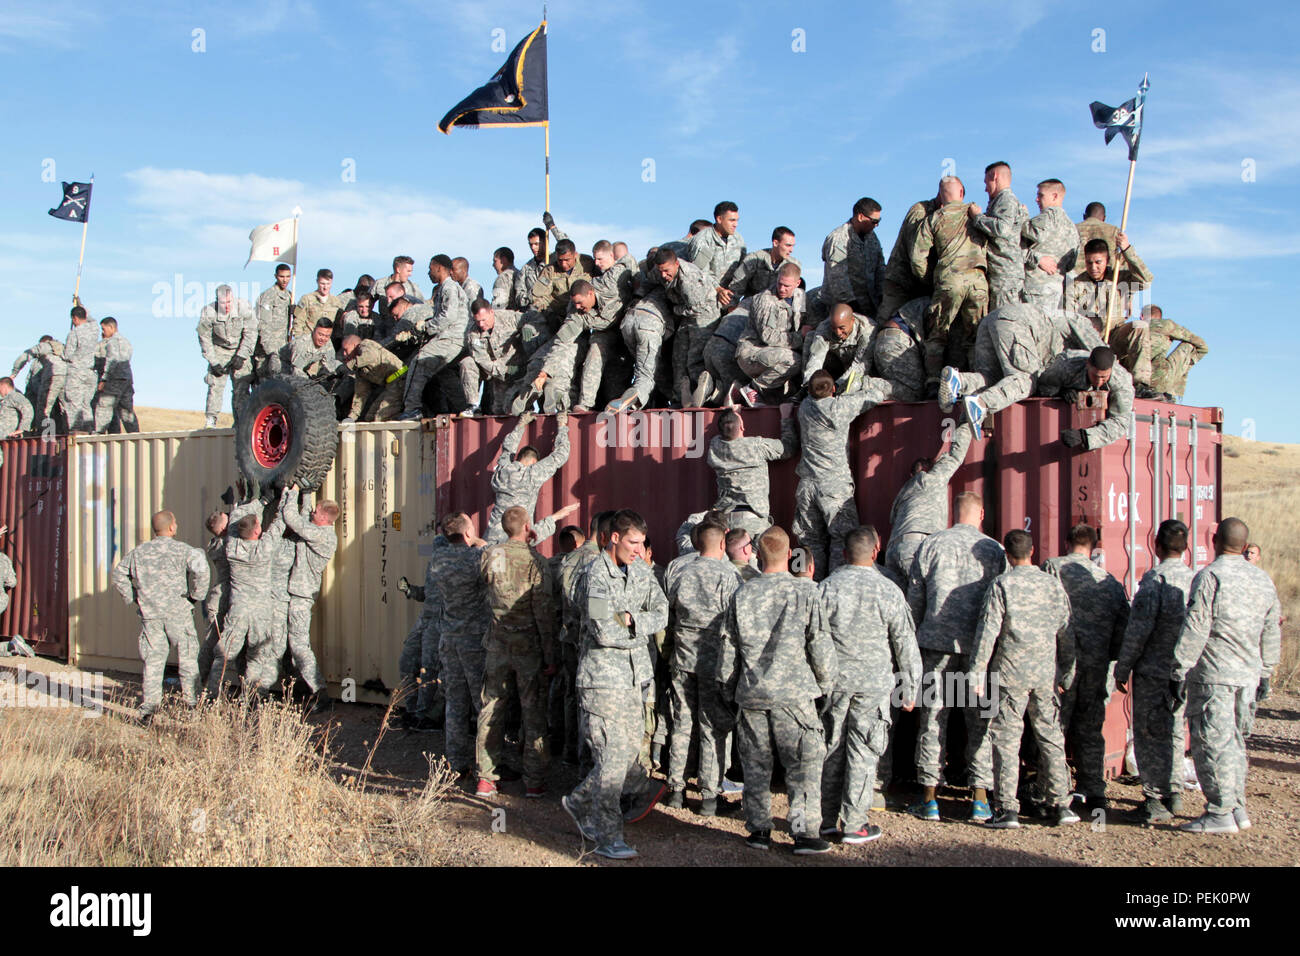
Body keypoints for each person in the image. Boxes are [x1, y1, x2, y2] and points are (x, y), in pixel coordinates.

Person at [718, 525, 835, 854]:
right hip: (794, 697)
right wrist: (825, 687)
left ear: (757, 552)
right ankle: (802, 833)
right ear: (789, 554)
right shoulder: (805, 592)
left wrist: (729, 691)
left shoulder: (743, 593)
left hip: (752, 695)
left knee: (755, 768)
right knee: (803, 766)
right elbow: (821, 647)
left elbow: (728, 651)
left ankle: (759, 831)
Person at [562, 510, 669, 861]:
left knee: (626, 758)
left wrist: (632, 620)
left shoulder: (639, 569)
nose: (639, 550)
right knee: (610, 759)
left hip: (635, 678)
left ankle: (579, 801)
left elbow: (662, 611)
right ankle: (608, 836)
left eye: (642, 542)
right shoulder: (595, 575)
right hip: (602, 681)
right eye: (633, 542)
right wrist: (636, 629)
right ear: (614, 539)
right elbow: (602, 631)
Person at [1171, 517, 1282, 834]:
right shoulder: (1263, 580)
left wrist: (1179, 669)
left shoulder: (1210, 577)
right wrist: (1266, 672)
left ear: (1214, 540)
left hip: (1214, 674)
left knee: (1212, 744)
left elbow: (1196, 628)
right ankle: (1236, 806)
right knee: (1234, 743)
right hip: (1247, 677)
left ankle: (1220, 812)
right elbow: (1271, 630)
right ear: (1246, 547)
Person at [906, 491, 1005, 822]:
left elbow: (915, 599)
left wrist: (911, 645)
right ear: (980, 515)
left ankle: (929, 798)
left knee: (932, 720)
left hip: (935, 647)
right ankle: (980, 799)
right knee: (981, 723)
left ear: (953, 513)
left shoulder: (932, 544)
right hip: (980, 654)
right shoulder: (994, 550)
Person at [970, 529, 1079, 829]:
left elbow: (987, 632)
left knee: (1006, 739)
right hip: (1045, 673)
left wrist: (977, 672)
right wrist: (1067, 672)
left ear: (1007, 555)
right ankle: (1061, 804)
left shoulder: (1001, 585)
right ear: (1033, 552)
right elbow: (1066, 633)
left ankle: (1007, 809)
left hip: (1010, 675)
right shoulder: (1052, 585)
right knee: (1051, 737)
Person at [819, 526, 921, 844]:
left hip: (834, 685)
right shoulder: (888, 590)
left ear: (844, 554)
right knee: (863, 751)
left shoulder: (826, 588)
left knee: (831, 749)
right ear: (875, 552)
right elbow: (904, 641)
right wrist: (911, 687)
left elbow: (811, 638)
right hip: (873, 686)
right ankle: (854, 824)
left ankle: (825, 821)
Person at [1043, 524, 1130, 812]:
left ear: (1066, 540)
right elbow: (1122, 629)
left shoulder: (1052, 569)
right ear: (1093, 547)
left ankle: (1053, 790)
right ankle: (1093, 789)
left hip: (1058, 666)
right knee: (1091, 728)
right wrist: (1109, 658)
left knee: (1055, 727)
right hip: (1096, 667)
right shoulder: (1109, 582)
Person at [1113, 519, 1195, 824]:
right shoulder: (1194, 580)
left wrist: (1123, 667)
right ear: (1185, 546)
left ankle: (1154, 797)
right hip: (1182, 671)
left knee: (1148, 733)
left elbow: (1139, 629)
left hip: (1152, 670)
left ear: (1156, 545)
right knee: (1174, 730)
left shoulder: (1155, 581)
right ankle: (1173, 792)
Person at [476, 506, 557, 797]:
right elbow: (543, 613)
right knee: (532, 711)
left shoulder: (492, 555)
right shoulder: (536, 561)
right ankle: (533, 780)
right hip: (528, 648)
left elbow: (489, 585)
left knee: (492, 709)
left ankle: (486, 778)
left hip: (497, 644)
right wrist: (550, 655)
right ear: (527, 527)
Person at [663, 523, 743, 814]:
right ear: (722, 544)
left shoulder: (679, 571)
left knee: (681, 724)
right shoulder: (729, 576)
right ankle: (709, 796)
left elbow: (667, 616)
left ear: (697, 543)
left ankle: (675, 789)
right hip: (714, 663)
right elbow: (735, 623)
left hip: (682, 659)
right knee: (712, 727)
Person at [939, 303, 1102, 438]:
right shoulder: (1084, 327)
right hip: (1016, 324)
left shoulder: (1067, 331)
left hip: (995, 319)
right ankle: (982, 404)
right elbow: (1103, 357)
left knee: (991, 378)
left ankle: (958, 381)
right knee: (1026, 381)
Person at [794, 369, 894, 580]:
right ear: (833, 390)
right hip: (833, 486)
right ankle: (836, 586)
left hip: (806, 485)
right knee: (843, 539)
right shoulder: (838, 407)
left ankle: (809, 586)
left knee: (809, 541)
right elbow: (874, 396)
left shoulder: (804, 407)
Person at [111, 510, 209, 723]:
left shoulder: (139, 552)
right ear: (172, 527)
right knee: (188, 661)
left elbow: (119, 574)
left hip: (151, 616)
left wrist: (134, 598)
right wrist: (195, 596)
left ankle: (148, 711)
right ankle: (193, 709)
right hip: (179, 615)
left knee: (153, 663)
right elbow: (202, 570)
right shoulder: (183, 550)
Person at [206, 489, 290, 697]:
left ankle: (211, 694)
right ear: (256, 532)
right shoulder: (265, 549)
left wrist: (258, 501)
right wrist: (288, 494)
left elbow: (235, 519)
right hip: (261, 612)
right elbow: (280, 522)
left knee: (223, 655)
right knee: (256, 657)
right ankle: (251, 700)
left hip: (239, 610)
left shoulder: (232, 548)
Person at [910, 175, 988, 388]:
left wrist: (931, 280)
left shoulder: (933, 219)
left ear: (941, 196)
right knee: (975, 335)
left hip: (949, 280)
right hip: (977, 281)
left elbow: (917, 258)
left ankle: (933, 382)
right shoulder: (975, 215)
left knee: (937, 334)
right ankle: (975, 382)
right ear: (962, 193)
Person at [884, 421, 975, 579]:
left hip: (893, 550)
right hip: (917, 548)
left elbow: (892, 519)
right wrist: (966, 421)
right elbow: (955, 457)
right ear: (927, 471)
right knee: (923, 597)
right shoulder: (930, 480)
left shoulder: (903, 492)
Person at [279, 485, 339, 712]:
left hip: (301, 595)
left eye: (316, 511)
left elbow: (292, 519)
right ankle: (302, 687)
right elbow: (304, 517)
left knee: (298, 644)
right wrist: (305, 492)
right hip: (298, 593)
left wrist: (292, 491)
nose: (313, 512)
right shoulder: (318, 530)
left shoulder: (321, 535)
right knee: (292, 644)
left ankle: (318, 691)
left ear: (324, 516)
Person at [707, 405, 797, 541]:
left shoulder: (714, 446)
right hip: (754, 521)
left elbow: (727, 433)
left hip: (725, 520)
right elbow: (788, 448)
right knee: (753, 560)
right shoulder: (756, 446)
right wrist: (786, 417)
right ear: (742, 426)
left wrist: (732, 415)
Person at [401, 255, 470, 419]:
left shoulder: (449, 288)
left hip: (450, 338)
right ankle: (465, 407)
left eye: (430, 268)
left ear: (439, 268)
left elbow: (448, 317)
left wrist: (426, 327)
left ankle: (412, 409)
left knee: (419, 363)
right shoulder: (446, 289)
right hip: (456, 339)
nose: (428, 273)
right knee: (444, 373)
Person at [485, 411, 570, 544]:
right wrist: (562, 425)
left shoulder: (502, 470)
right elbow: (561, 455)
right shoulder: (531, 474)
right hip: (516, 542)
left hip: (492, 540)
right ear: (533, 462)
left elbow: (507, 449)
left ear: (519, 458)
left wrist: (521, 424)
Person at [1038, 345, 1135, 452]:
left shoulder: (1122, 381)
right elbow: (1042, 386)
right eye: (1095, 376)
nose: (1098, 382)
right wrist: (1060, 391)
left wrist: (1085, 436)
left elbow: (1121, 422)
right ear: (1088, 365)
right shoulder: (1066, 366)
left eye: (1104, 377)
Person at [733, 262, 806, 404]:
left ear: (797, 283)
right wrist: (800, 338)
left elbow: (804, 321)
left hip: (774, 352)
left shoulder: (800, 297)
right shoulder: (765, 300)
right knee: (793, 361)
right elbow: (768, 336)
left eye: (787, 286)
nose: (782, 289)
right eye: (780, 284)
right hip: (752, 352)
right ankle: (753, 388)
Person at [968, 162, 1030, 308]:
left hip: (1005, 276)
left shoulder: (1006, 199)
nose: (985, 189)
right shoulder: (999, 201)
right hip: (1001, 274)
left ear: (994, 177)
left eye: (986, 182)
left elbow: (1002, 228)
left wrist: (977, 217)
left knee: (1004, 322)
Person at [877, 186, 942, 323]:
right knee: (887, 323)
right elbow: (916, 254)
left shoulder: (944, 215)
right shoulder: (921, 211)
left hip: (920, 283)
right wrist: (930, 281)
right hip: (901, 280)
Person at [1065, 237, 1153, 337]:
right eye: (1089, 263)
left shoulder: (1118, 278)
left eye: (1098, 262)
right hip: (1088, 337)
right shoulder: (1075, 285)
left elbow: (1145, 281)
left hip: (1115, 335)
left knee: (1140, 327)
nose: (1093, 267)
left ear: (1107, 260)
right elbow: (1069, 316)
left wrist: (1127, 250)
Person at [197, 285, 257, 427]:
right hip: (219, 350)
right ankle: (211, 419)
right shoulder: (208, 312)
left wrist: (242, 355)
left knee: (241, 386)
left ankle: (241, 420)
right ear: (217, 301)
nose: (227, 306)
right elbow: (204, 339)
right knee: (215, 385)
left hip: (240, 347)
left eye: (229, 302)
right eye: (224, 303)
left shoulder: (244, 307)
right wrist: (213, 362)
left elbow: (251, 332)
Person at [820, 198, 885, 318]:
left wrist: (882, 296)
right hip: (842, 311)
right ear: (860, 217)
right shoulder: (838, 238)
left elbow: (880, 268)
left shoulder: (872, 238)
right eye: (874, 221)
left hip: (870, 309)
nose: (877, 225)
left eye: (879, 220)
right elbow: (838, 278)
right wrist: (853, 308)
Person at [460, 300, 527, 416]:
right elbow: (483, 361)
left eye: (483, 320)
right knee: (467, 362)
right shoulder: (473, 332)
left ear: (491, 312)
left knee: (511, 408)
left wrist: (529, 327)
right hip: (496, 370)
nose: (481, 324)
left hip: (517, 367)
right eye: (478, 321)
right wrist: (505, 371)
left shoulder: (508, 317)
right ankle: (473, 406)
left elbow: (533, 318)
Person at [1020, 179, 1079, 310]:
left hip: (1034, 289)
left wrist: (1022, 216)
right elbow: (1071, 264)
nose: (1036, 199)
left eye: (1040, 195)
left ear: (1055, 196)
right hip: (1056, 292)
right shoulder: (1072, 229)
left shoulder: (1048, 217)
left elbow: (1021, 233)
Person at [801, 303, 873, 397]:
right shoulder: (824, 328)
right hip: (838, 363)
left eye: (842, 328)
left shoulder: (867, 330)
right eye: (834, 328)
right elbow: (816, 359)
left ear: (852, 321)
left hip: (860, 370)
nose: (838, 333)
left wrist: (837, 385)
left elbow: (860, 365)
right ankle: (806, 390)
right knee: (810, 337)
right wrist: (813, 385)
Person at [1142, 305, 1210, 401]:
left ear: (1142, 316)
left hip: (1132, 381)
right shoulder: (1166, 325)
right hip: (1158, 379)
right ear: (1160, 317)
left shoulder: (1131, 330)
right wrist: (1184, 368)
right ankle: (1170, 392)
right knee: (1189, 345)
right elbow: (1203, 347)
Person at [685, 201, 746, 309]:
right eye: (731, 220)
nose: (735, 224)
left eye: (737, 220)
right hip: (706, 301)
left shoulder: (738, 240)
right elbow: (700, 274)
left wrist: (732, 299)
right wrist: (718, 290)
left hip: (730, 300)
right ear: (719, 219)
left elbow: (741, 271)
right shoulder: (703, 240)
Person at [871, 298, 929, 402]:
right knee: (914, 391)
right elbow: (934, 349)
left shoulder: (923, 301)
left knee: (901, 385)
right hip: (896, 342)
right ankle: (865, 385)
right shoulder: (937, 306)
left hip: (889, 339)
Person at [341, 334, 404, 422]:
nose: (344, 354)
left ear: (354, 345)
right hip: (390, 385)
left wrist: (348, 366)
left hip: (400, 377)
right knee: (370, 417)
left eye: (345, 350)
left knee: (381, 418)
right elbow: (361, 394)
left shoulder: (366, 345)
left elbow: (371, 356)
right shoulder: (360, 369)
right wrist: (351, 417)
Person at [92, 317, 138, 434]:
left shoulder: (112, 342)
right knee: (126, 411)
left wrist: (104, 379)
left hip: (115, 379)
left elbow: (111, 361)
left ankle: (97, 436)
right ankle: (136, 436)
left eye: (104, 328)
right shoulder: (126, 342)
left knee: (104, 407)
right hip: (127, 379)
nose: (103, 332)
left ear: (111, 327)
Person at [727, 226, 797, 302]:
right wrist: (732, 308)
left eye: (793, 246)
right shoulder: (754, 260)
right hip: (750, 306)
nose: (791, 250)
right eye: (788, 245)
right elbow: (736, 286)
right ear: (775, 243)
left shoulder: (793, 266)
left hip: (779, 308)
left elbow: (796, 294)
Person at [11, 335, 65, 433]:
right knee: (64, 406)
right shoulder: (63, 347)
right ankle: (66, 429)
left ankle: (43, 432)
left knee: (44, 406)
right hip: (68, 376)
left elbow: (25, 356)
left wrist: (14, 373)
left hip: (51, 376)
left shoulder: (44, 348)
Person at [62, 304, 101, 432]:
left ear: (74, 319)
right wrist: (82, 306)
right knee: (86, 405)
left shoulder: (74, 333)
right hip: (90, 373)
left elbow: (67, 355)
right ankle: (89, 430)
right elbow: (92, 319)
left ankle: (76, 432)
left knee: (74, 405)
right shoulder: (94, 329)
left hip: (76, 372)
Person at [254, 263, 293, 377]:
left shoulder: (290, 296)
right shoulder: (268, 296)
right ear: (276, 276)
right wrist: (271, 352)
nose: (285, 280)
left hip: (283, 349)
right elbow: (263, 326)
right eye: (282, 276)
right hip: (268, 351)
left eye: (287, 276)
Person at [294, 268, 345, 339]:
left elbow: (339, 326)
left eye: (328, 284)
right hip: (308, 340)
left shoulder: (336, 302)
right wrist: (299, 340)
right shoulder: (306, 299)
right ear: (317, 281)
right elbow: (298, 321)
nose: (325, 287)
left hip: (328, 342)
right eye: (322, 284)